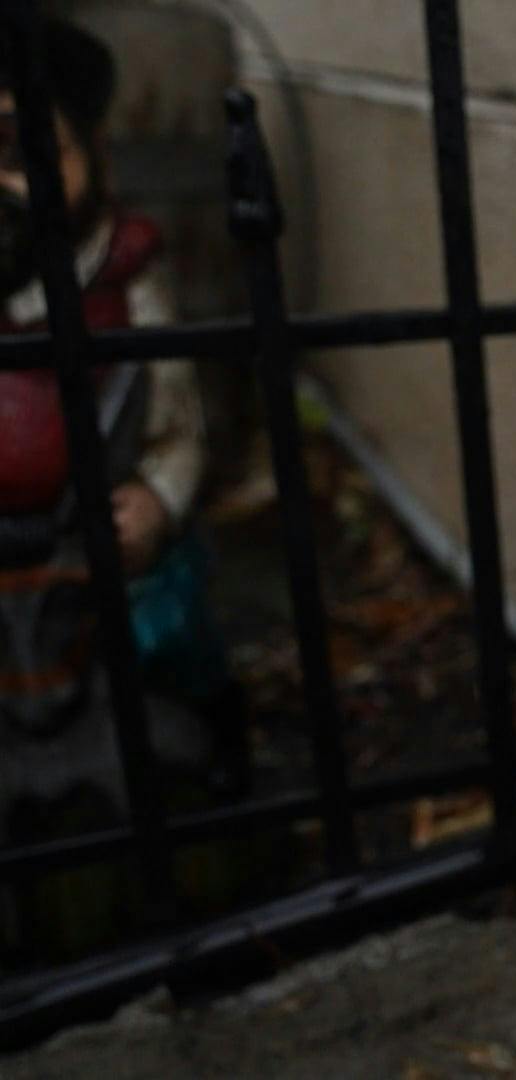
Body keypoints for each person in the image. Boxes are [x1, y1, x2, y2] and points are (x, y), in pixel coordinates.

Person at [0, 18, 232, 872]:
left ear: (91, 152)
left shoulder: (129, 292)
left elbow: (179, 428)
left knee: (145, 693)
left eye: (30, 158)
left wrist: (161, 499)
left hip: (94, 561)